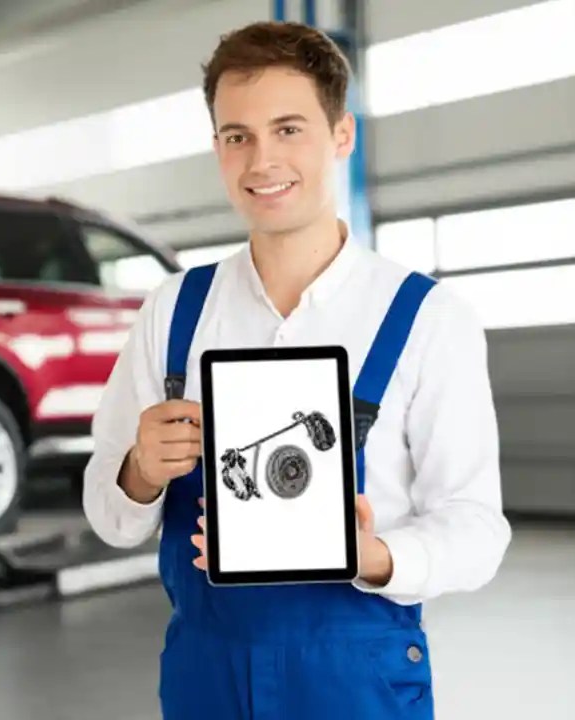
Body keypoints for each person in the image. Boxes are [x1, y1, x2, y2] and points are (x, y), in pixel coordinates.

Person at [82, 21, 512, 719]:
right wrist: (139, 471)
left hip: (357, 681)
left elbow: (476, 528)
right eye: (236, 136)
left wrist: (374, 556)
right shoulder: (172, 313)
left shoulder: (427, 319)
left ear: (341, 135)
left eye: (288, 129)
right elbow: (110, 515)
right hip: (205, 675)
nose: (261, 161)